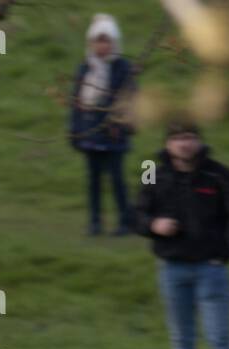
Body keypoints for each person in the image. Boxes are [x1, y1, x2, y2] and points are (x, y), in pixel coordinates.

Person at [134, 121, 229, 349]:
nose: (184, 143)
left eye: (190, 137)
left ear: (199, 141)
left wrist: (223, 255)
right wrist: (153, 226)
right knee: (181, 338)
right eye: (178, 138)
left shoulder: (218, 174)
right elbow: (138, 213)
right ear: (168, 144)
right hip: (171, 268)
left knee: (219, 337)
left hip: (211, 269)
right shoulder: (155, 176)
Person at [68, 14, 135, 236]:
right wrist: (75, 130)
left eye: (107, 40)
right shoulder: (85, 68)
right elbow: (76, 101)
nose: (103, 45)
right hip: (91, 133)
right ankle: (95, 222)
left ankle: (125, 221)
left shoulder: (123, 68)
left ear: (114, 42)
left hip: (114, 135)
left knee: (117, 179)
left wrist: (123, 125)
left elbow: (131, 99)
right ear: (92, 43)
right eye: (99, 40)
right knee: (93, 181)